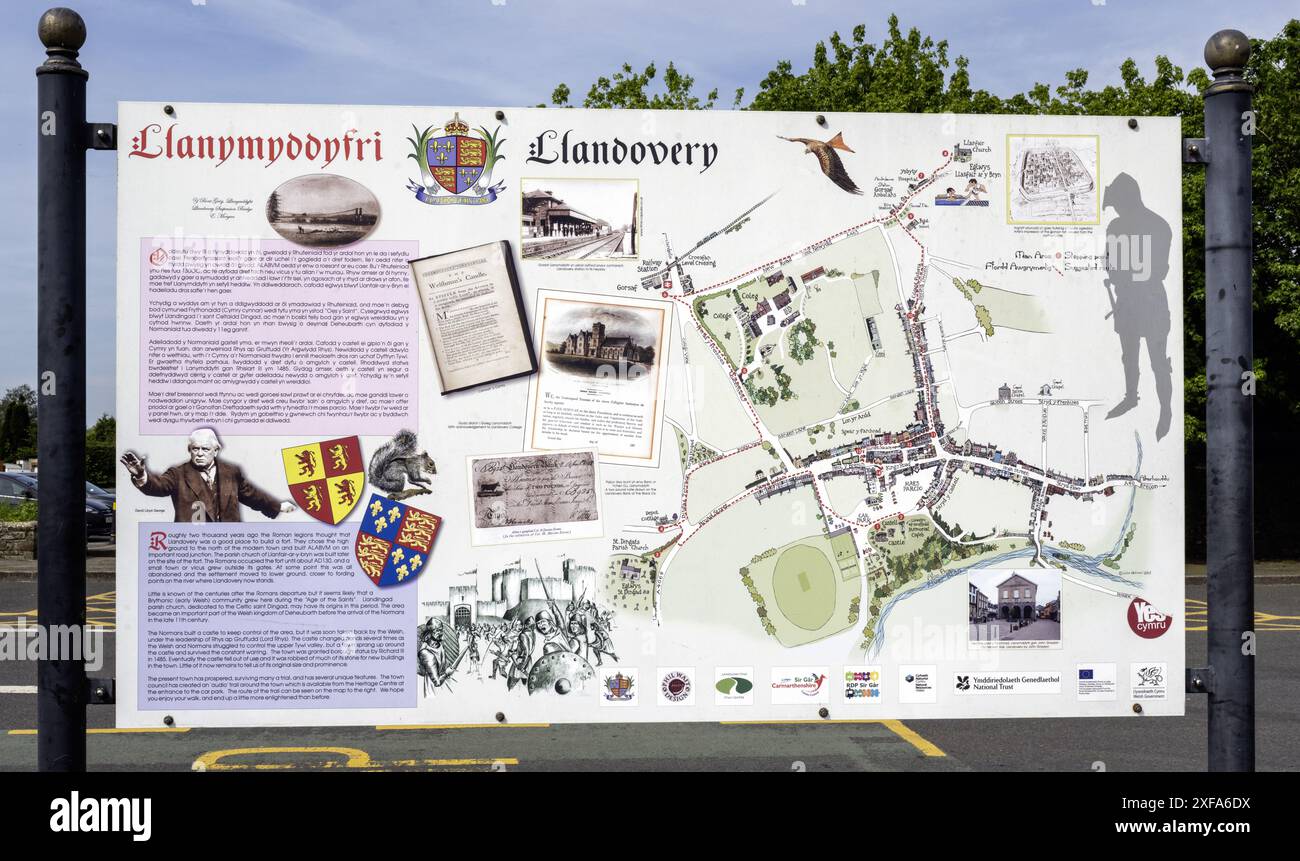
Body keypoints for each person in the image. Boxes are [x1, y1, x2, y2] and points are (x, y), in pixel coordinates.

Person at [121, 427, 293, 522]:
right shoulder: (177, 474)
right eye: (195, 449)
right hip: (193, 545)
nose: (200, 453)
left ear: (216, 450)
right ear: (189, 450)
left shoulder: (231, 472)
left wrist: (277, 506)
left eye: (205, 449)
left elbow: (251, 495)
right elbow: (158, 486)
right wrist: (141, 475)